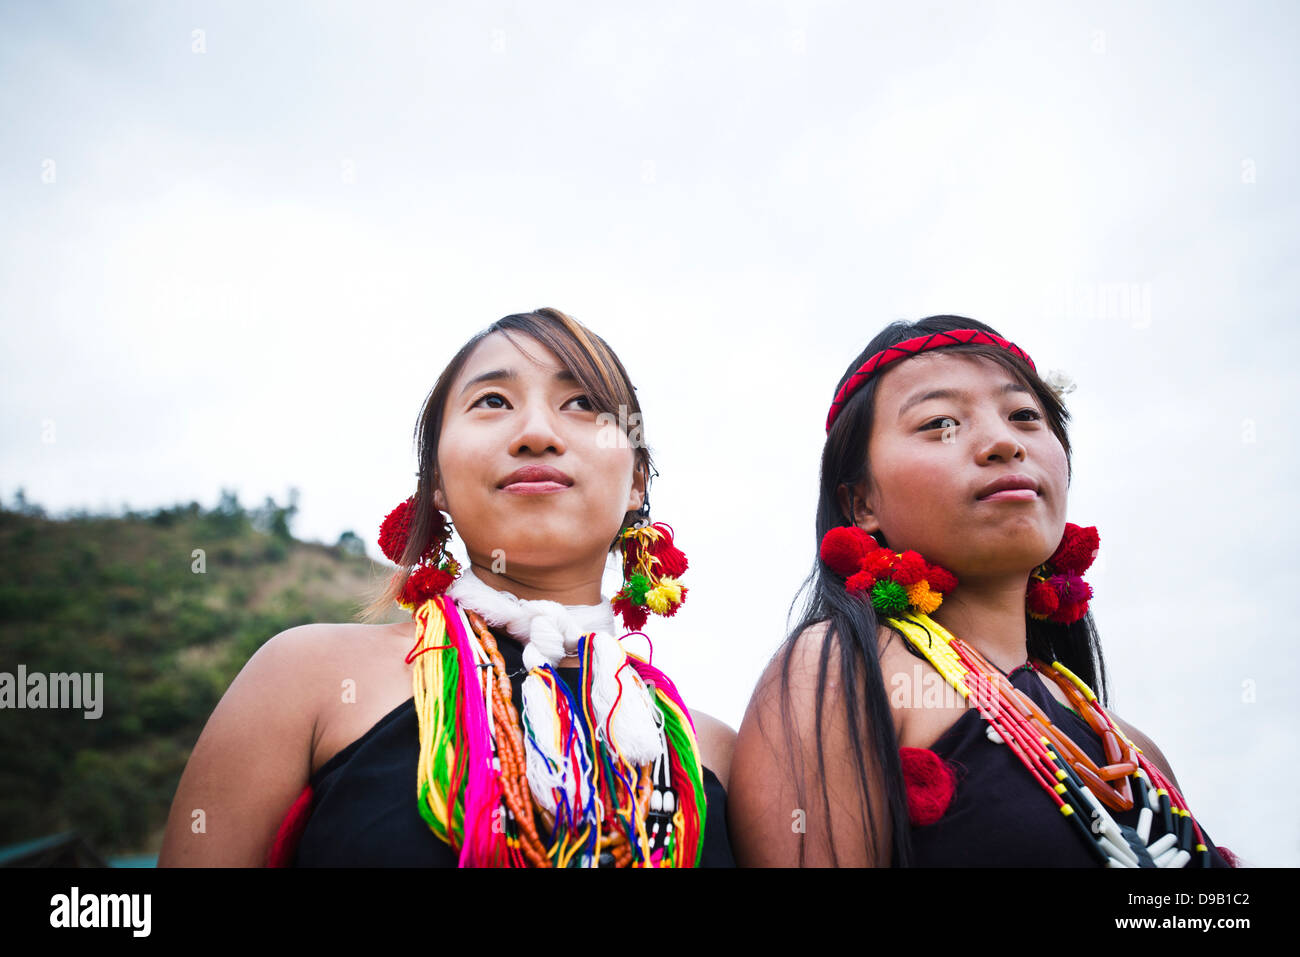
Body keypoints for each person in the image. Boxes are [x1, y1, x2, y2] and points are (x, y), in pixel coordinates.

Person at [158, 307, 735, 867]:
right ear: (435, 479)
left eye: (582, 403)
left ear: (637, 480)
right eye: (493, 401)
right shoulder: (306, 679)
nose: (536, 433)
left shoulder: (715, 755)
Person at [728, 315, 1234, 867]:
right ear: (860, 504)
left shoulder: (1138, 751)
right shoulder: (840, 673)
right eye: (940, 423)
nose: (1003, 443)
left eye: (1025, 416)